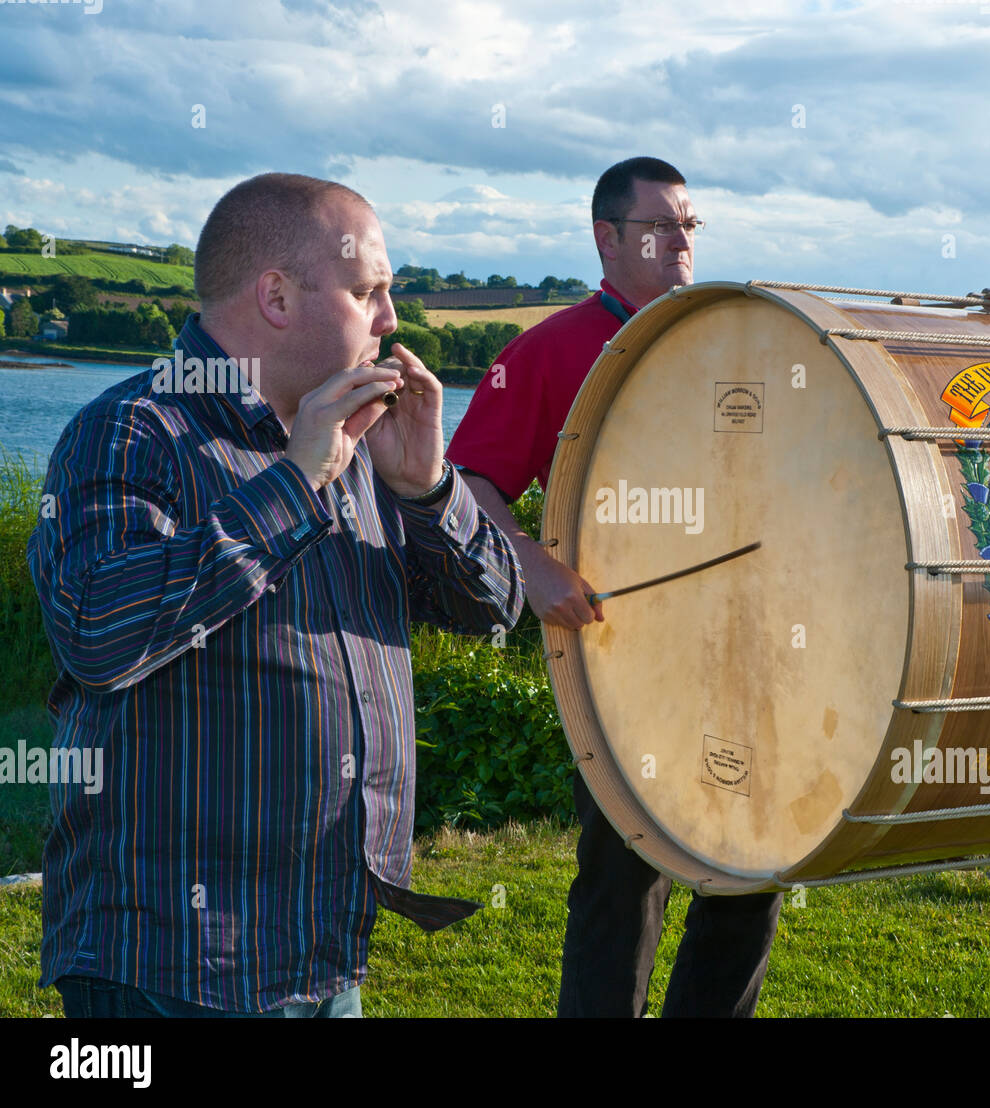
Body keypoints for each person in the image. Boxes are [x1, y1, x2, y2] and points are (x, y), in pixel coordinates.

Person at [27, 172, 524, 1018]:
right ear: (278, 296)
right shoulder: (136, 429)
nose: (392, 321)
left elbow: (493, 613)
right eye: (370, 291)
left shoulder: (359, 441)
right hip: (170, 962)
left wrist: (429, 489)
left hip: (320, 949)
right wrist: (296, 481)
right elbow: (96, 632)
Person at [447, 156, 783, 1017]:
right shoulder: (549, 350)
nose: (681, 239)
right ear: (609, 237)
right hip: (620, 662)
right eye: (662, 224)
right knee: (621, 877)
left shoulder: (733, 340)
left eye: (690, 224)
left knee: (750, 864)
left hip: (746, 653)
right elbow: (468, 481)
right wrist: (532, 566)